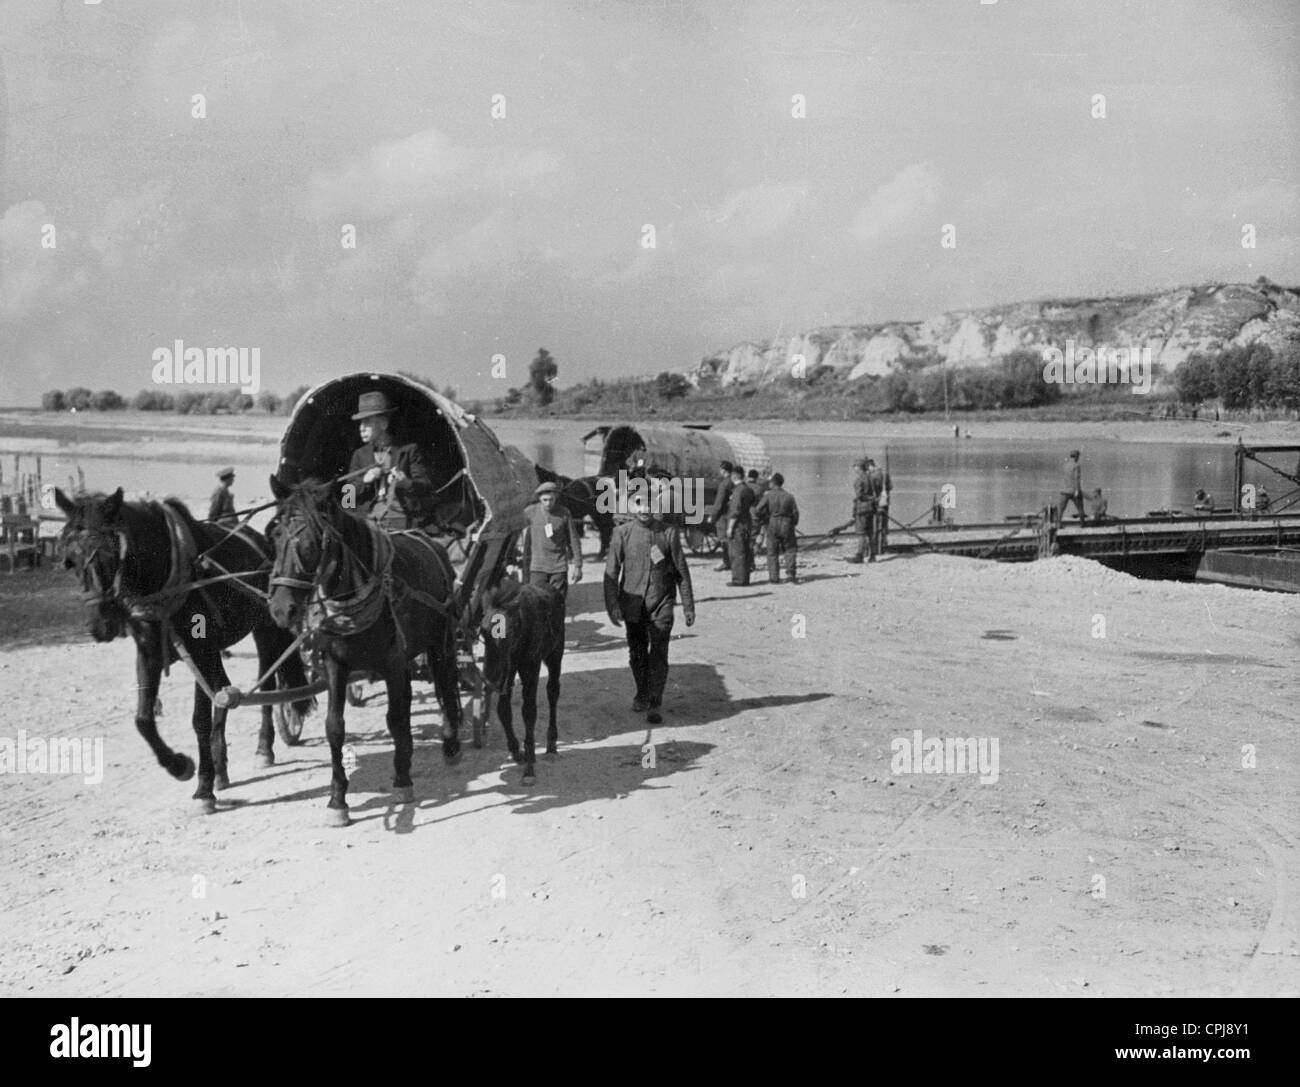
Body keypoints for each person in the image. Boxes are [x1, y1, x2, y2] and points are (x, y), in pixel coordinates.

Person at [604, 492, 694, 725]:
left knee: (659, 651)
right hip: (633, 604)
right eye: (639, 504)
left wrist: (688, 606)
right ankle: (642, 692)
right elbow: (611, 574)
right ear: (633, 508)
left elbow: (681, 572)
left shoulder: (668, 532)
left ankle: (655, 700)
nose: (644, 509)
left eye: (649, 505)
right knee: (637, 653)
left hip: (662, 602)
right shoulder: (621, 533)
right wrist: (612, 605)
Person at [345, 391, 437, 531]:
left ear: (383, 423)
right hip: (368, 525)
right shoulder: (359, 455)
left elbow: (427, 488)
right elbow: (347, 500)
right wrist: (364, 480)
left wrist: (405, 483)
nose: (361, 428)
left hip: (403, 522)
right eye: (360, 422)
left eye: (367, 421)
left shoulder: (408, 451)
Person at [520, 480, 582, 604]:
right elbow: (514, 526)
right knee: (536, 604)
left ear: (556, 498)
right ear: (539, 499)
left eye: (551, 499)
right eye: (545, 500)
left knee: (557, 604)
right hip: (538, 568)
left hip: (558, 568)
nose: (548, 503)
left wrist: (578, 566)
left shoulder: (564, 513)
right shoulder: (530, 512)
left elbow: (574, 539)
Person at [753, 472, 799, 583]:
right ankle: (790, 575)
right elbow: (796, 513)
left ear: (773, 483)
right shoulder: (789, 496)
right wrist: (792, 523)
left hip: (772, 523)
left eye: (770, 482)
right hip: (787, 524)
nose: (769, 483)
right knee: (790, 549)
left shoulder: (768, 495)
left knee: (772, 551)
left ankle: (774, 577)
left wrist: (763, 519)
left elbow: (757, 510)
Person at [725, 463, 756, 586]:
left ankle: (739, 580)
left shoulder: (738, 491)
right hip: (747, 522)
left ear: (734, 476)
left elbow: (735, 511)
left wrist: (730, 527)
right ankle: (745, 578)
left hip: (738, 524)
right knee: (746, 551)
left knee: (737, 552)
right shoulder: (748, 489)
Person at [708, 461, 734, 572]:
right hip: (732, 514)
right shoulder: (734, 482)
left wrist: (712, 516)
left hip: (723, 516)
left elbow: (719, 503)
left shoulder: (724, 484)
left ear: (723, 470)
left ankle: (726, 562)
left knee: (724, 539)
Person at [867, 457, 891, 557]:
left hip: (875, 504)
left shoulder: (871, 476)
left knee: (874, 527)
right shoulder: (885, 474)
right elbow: (890, 487)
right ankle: (883, 545)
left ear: (869, 466)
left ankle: (876, 548)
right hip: (885, 503)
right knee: (884, 525)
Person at [1055, 450, 1086, 524]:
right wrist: (1077, 490)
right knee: (1080, 508)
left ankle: (1058, 523)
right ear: (1076, 457)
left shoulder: (1065, 465)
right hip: (1073, 490)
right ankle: (1083, 523)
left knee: (1061, 509)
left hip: (1064, 490)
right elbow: (1076, 478)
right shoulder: (1076, 465)